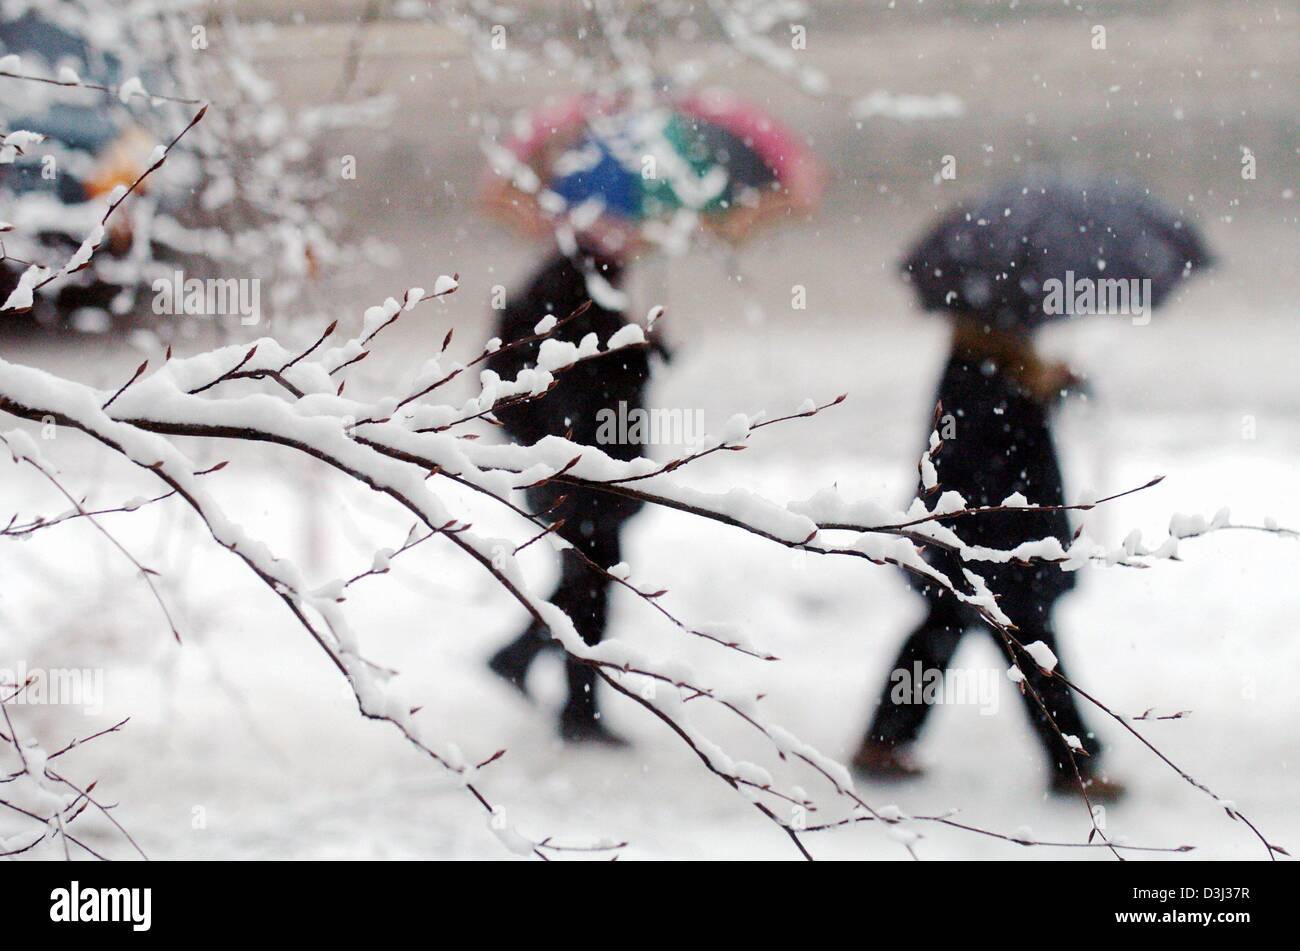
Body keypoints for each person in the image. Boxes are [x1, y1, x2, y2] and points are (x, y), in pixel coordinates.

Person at [853, 312, 1125, 802]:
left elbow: (999, 446)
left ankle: (884, 740)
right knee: (1027, 645)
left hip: (978, 541)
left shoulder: (983, 370)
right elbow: (992, 456)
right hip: (994, 545)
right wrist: (1039, 392)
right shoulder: (978, 375)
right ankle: (1072, 763)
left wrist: (1046, 389)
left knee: (943, 632)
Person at [485, 245, 655, 745]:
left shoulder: (562, 289)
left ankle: (535, 671)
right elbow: (594, 383)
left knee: (587, 584)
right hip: (583, 477)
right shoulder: (577, 295)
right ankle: (575, 707)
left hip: (570, 474)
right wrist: (640, 355)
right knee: (591, 588)